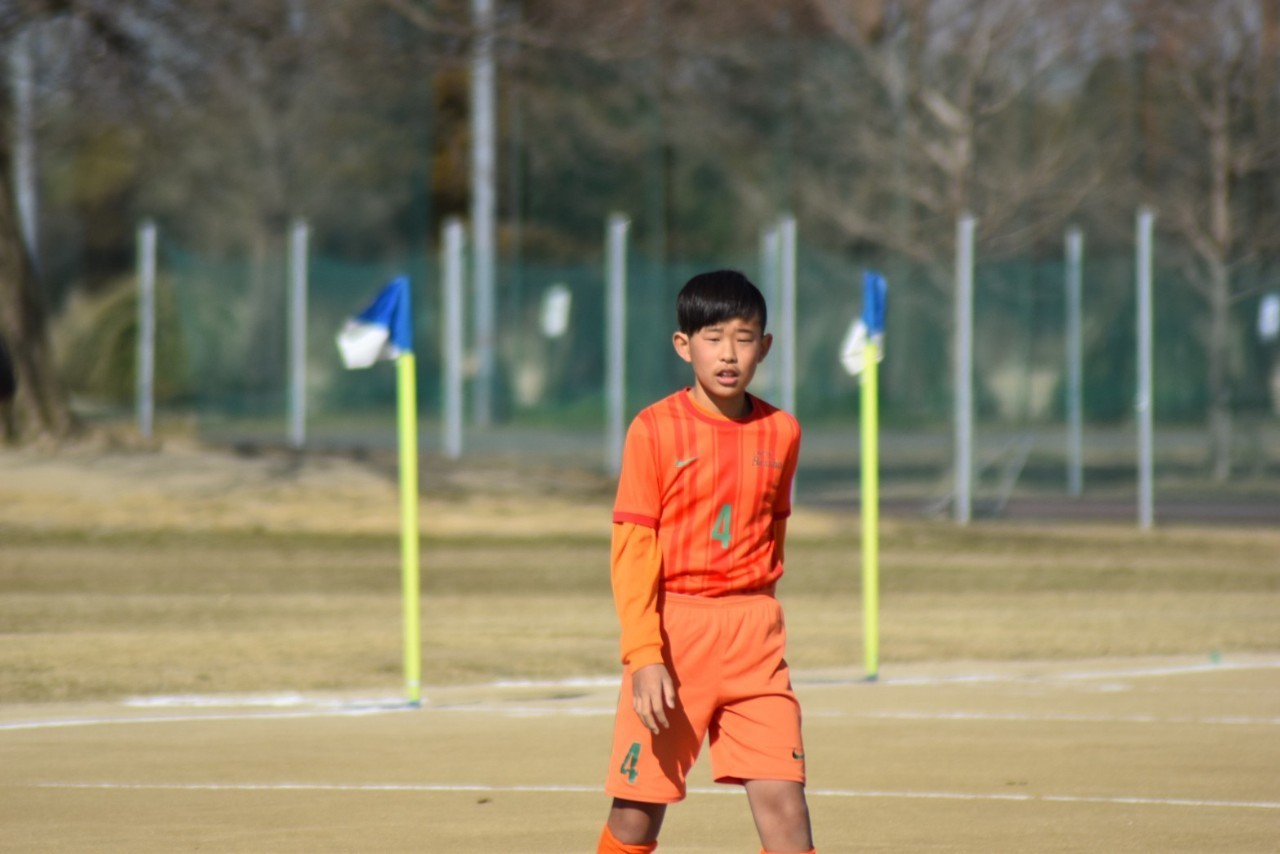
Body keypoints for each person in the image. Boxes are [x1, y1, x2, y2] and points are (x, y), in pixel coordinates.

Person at [597, 270, 815, 854]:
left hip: (755, 639)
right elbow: (633, 551)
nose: (728, 354)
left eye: (744, 338)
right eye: (713, 337)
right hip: (674, 638)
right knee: (637, 815)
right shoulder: (653, 429)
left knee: (786, 809)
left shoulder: (783, 431)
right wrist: (644, 655)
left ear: (764, 347)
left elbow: (772, 530)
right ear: (683, 344)